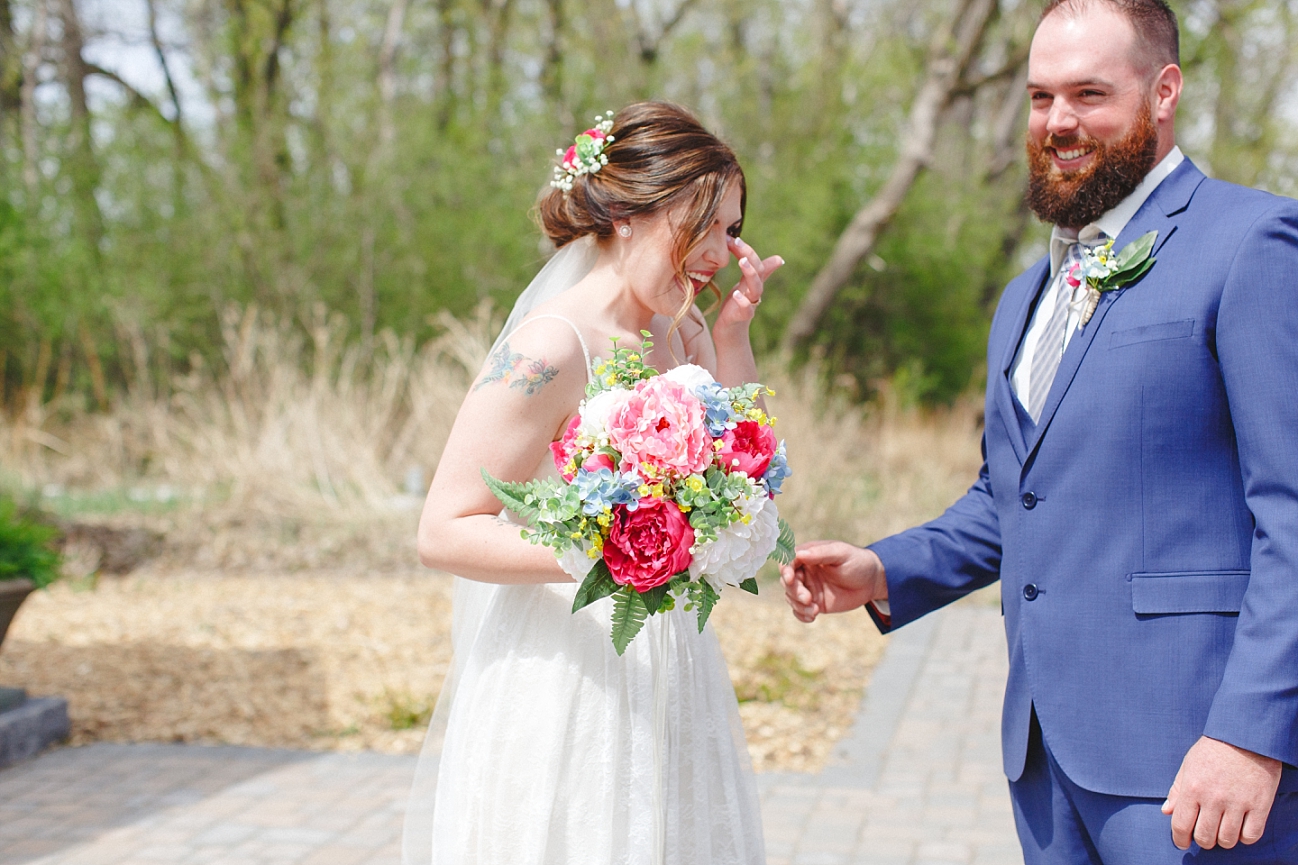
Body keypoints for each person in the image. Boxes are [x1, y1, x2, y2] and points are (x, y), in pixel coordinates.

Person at [781, 1, 1298, 862]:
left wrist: (1251, 733)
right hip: (1049, 764)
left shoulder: (1252, 243)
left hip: (1195, 765)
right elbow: (1015, 493)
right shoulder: (1026, 297)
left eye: (1090, 94)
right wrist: (884, 569)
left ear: (1163, 91)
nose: (1059, 121)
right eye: (1040, 97)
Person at [405, 101, 782, 865]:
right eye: (703, 223)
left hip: (671, 668)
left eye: (732, 229)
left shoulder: (684, 330)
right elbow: (443, 527)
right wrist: (607, 553)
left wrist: (735, 336)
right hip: (566, 673)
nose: (718, 250)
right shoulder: (550, 345)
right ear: (629, 214)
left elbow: (751, 468)